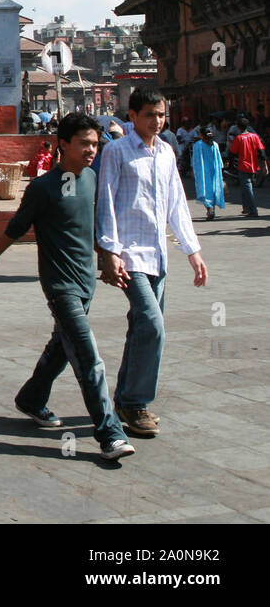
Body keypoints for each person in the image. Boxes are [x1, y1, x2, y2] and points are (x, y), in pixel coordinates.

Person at [0, 114, 135, 462]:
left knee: (62, 347)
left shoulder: (91, 179)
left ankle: (31, 398)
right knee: (88, 357)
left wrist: (109, 257)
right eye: (84, 143)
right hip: (59, 285)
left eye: (95, 143)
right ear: (63, 144)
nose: (92, 150)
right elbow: (17, 227)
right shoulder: (42, 188)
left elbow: (90, 228)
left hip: (85, 282)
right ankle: (109, 433)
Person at [97, 89, 208, 439]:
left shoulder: (166, 153)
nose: (157, 121)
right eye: (150, 115)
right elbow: (107, 202)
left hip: (157, 254)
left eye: (161, 115)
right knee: (152, 323)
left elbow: (176, 202)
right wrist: (110, 251)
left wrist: (192, 250)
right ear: (133, 116)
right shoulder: (116, 151)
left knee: (142, 328)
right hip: (130, 255)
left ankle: (126, 400)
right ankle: (136, 401)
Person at [228, 117, 267, 218]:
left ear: (238, 127)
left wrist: (229, 164)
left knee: (247, 188)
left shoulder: (238, 138)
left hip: (243, 166)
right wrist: (264, 165)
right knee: (245, 187)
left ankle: (253, 210)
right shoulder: (254, 136)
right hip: (254, 166)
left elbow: (232, 153)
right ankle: (246, 208)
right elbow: (262, 152)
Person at [190, 126, 225, 221]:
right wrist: (221, 172)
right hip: (214, 170)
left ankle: (209, 209)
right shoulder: (215, 145)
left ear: (201, 135)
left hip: (202, 171)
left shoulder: (198, 145)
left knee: (204, 190)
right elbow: (219, 160)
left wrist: (193, 170)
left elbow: (195, 160)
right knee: (213, 190)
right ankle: (211, 209)